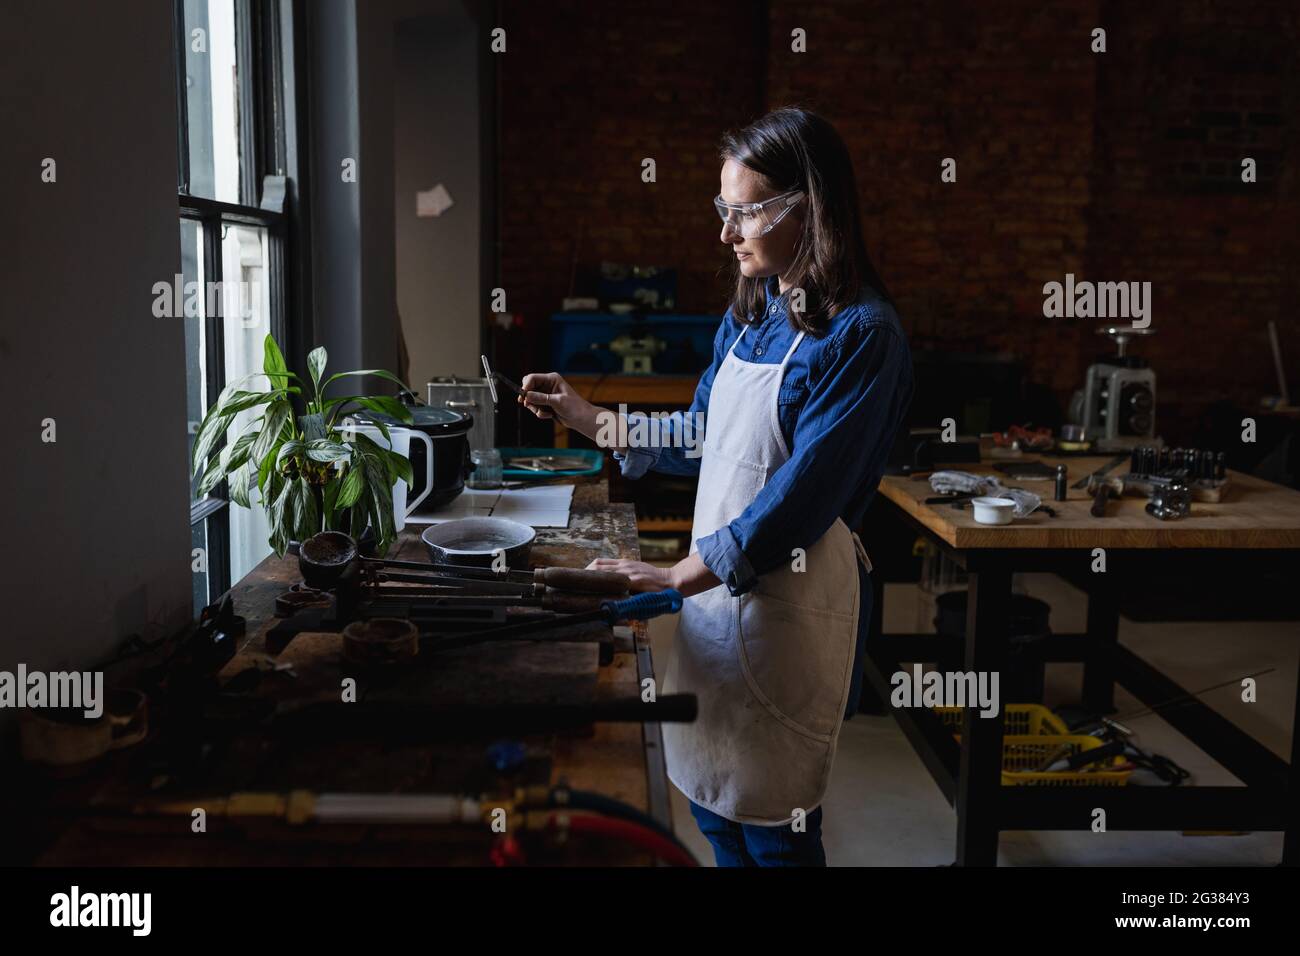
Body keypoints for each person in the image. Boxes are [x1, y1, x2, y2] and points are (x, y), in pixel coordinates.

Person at [518, 107, 913, 866]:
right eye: (722, 210)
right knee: (716, 814)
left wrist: (674, 574)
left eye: (745, 213)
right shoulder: (753, 314)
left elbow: (799, 501)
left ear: (811, 207)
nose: (726, 233)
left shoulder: (864, 336)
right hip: (712, 605)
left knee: (776, 830)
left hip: (787, 613)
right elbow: (701, 437)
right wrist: (590, 417)